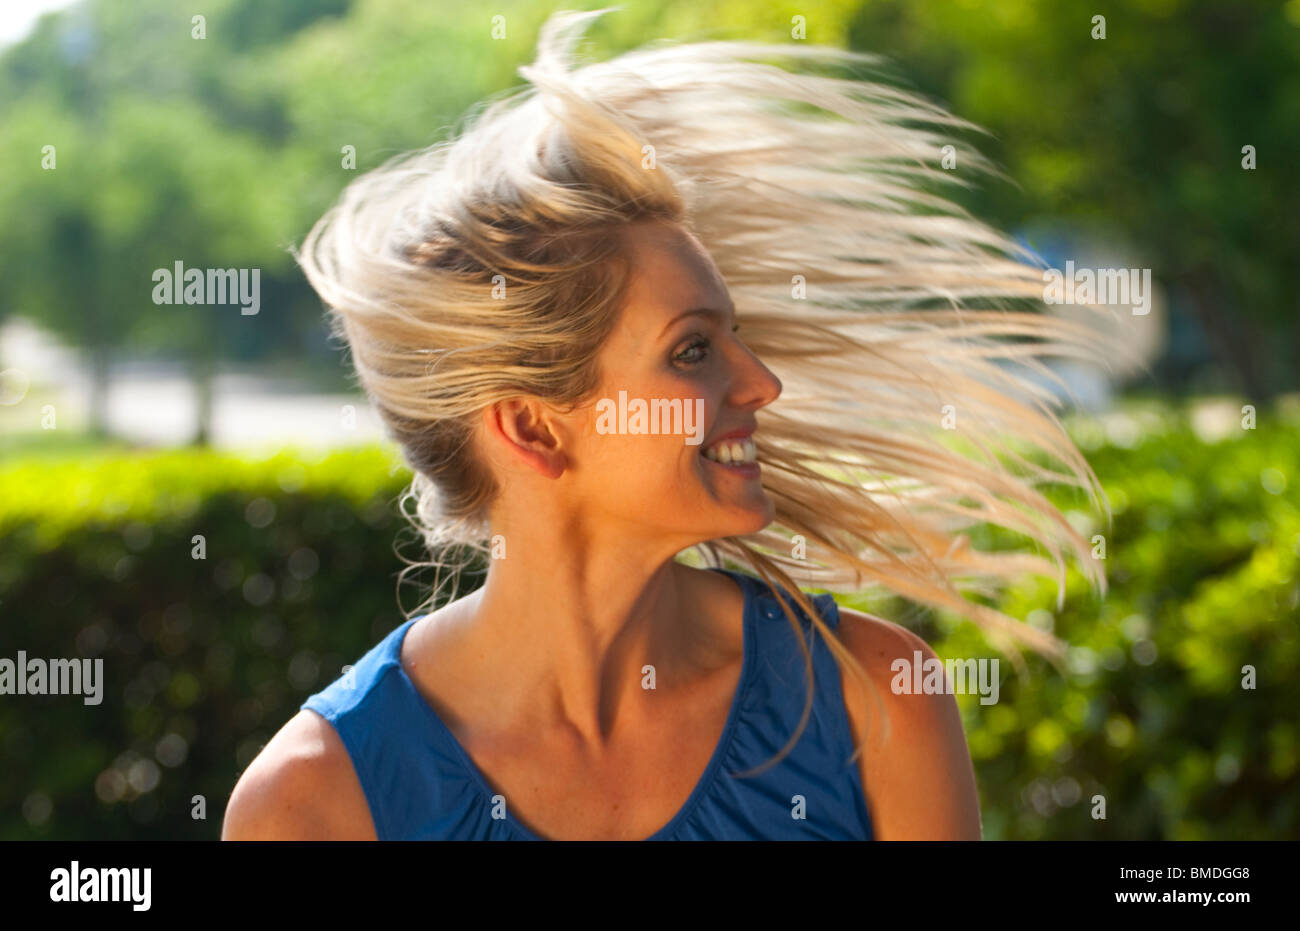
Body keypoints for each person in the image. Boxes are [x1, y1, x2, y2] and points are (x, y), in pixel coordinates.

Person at [222, 8, 1110, 841]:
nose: (761, 382)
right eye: (692, 351)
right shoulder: (311, 805)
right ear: (532, 428)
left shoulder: (877, 699)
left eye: (738, 337)